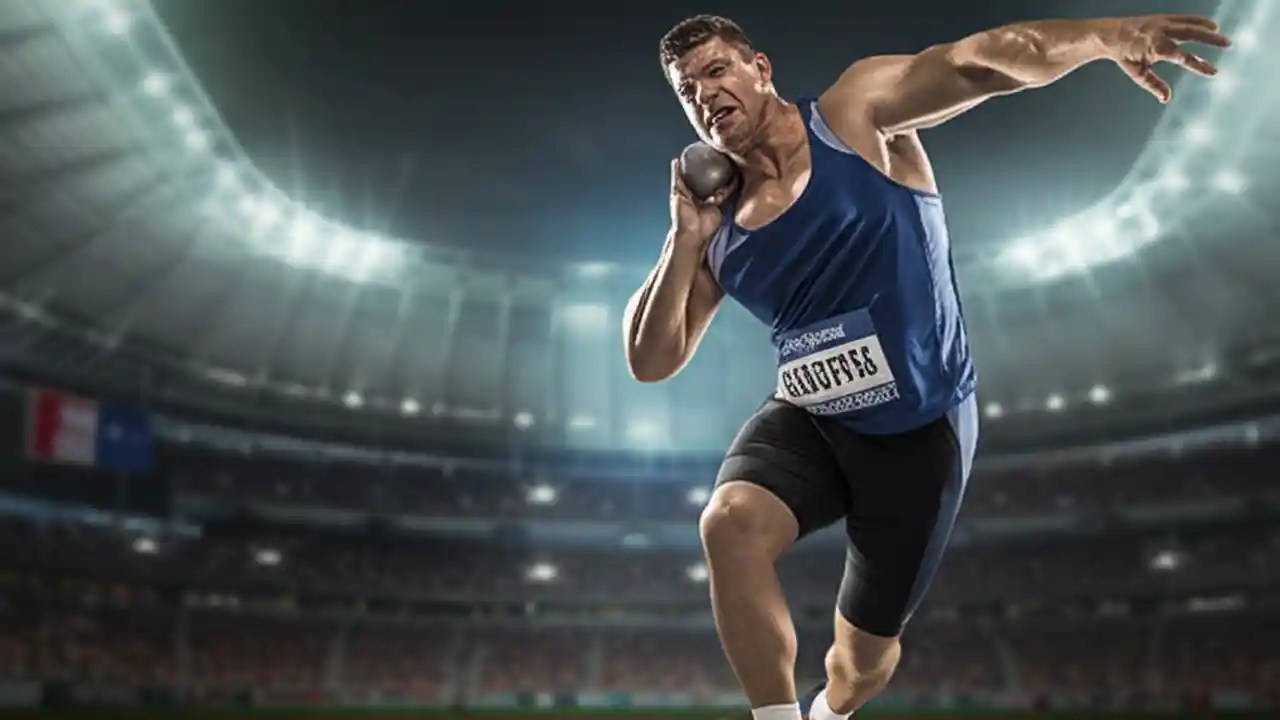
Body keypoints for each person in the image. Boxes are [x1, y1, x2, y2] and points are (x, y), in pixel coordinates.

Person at [623, 11, 1230, 720]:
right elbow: (651, 359)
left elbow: (984, 61)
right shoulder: (719, 225)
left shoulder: (855, 113)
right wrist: (685, 239)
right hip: (812, 415)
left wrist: (1101, 39)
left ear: (760, 68)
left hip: (918, 432)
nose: (704, 94)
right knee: (728, 524)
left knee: (858, 667)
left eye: (716, 71)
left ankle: (829, 712)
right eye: (686, 89)